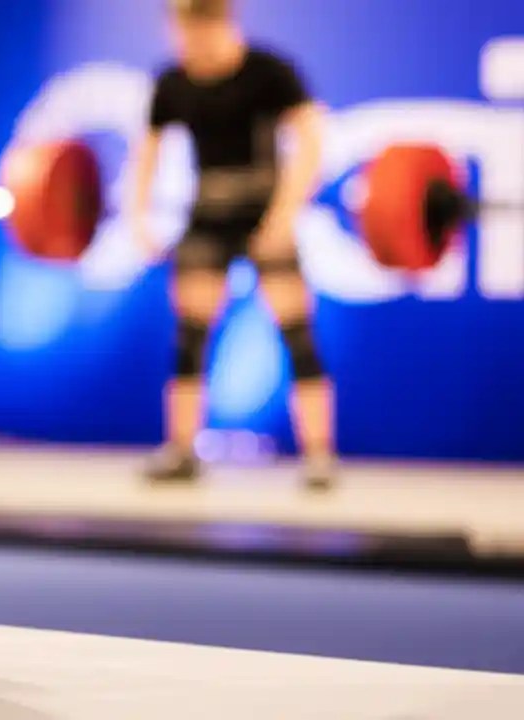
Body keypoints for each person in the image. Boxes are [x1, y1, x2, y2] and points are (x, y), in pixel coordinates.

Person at [129, 0, 335, 490]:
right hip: (208, 212)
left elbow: (311, 141)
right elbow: (147, 154)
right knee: (189, 337)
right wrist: (138, 218)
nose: (190, 46)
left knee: (297, 334)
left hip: (266, 208)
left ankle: (320, 456)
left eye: (197, 33)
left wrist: (284, 215)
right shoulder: (173, 82)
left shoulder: (269, 72)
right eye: (181, 34)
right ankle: (181, 451)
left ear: (221, 25)